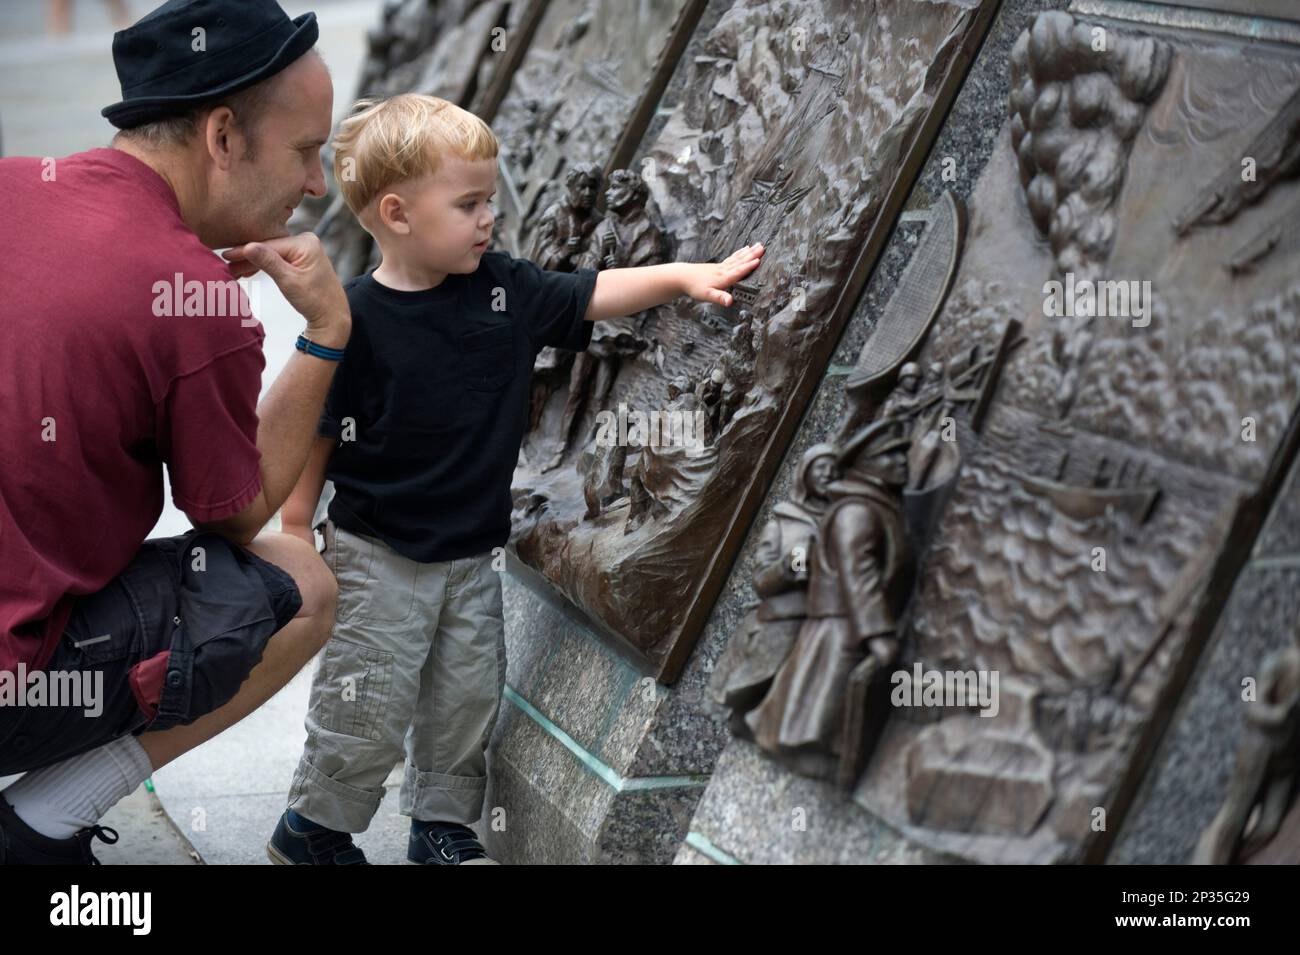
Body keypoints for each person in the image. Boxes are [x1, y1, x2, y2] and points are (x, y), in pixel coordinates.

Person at [271, 92, 764, 864]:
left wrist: (684, 277)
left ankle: (440, 826)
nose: (488, 216)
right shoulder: (353, 318)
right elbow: (322, 433)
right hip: (377, 552)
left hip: (471, 554)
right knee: (366, 696)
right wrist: (297, 527)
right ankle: (316, 825)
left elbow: (593, 293)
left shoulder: (502, 288)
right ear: (397, 215)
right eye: (468, 203)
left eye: (489, 199)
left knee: (465, 696)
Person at [0, 0, 349, 865]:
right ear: (224, 136)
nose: (316, 185)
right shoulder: (190, 296)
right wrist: (325, 333)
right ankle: (40, 825)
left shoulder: (14, 183)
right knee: (300, 583)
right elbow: (232, 518)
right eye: (307, 151)